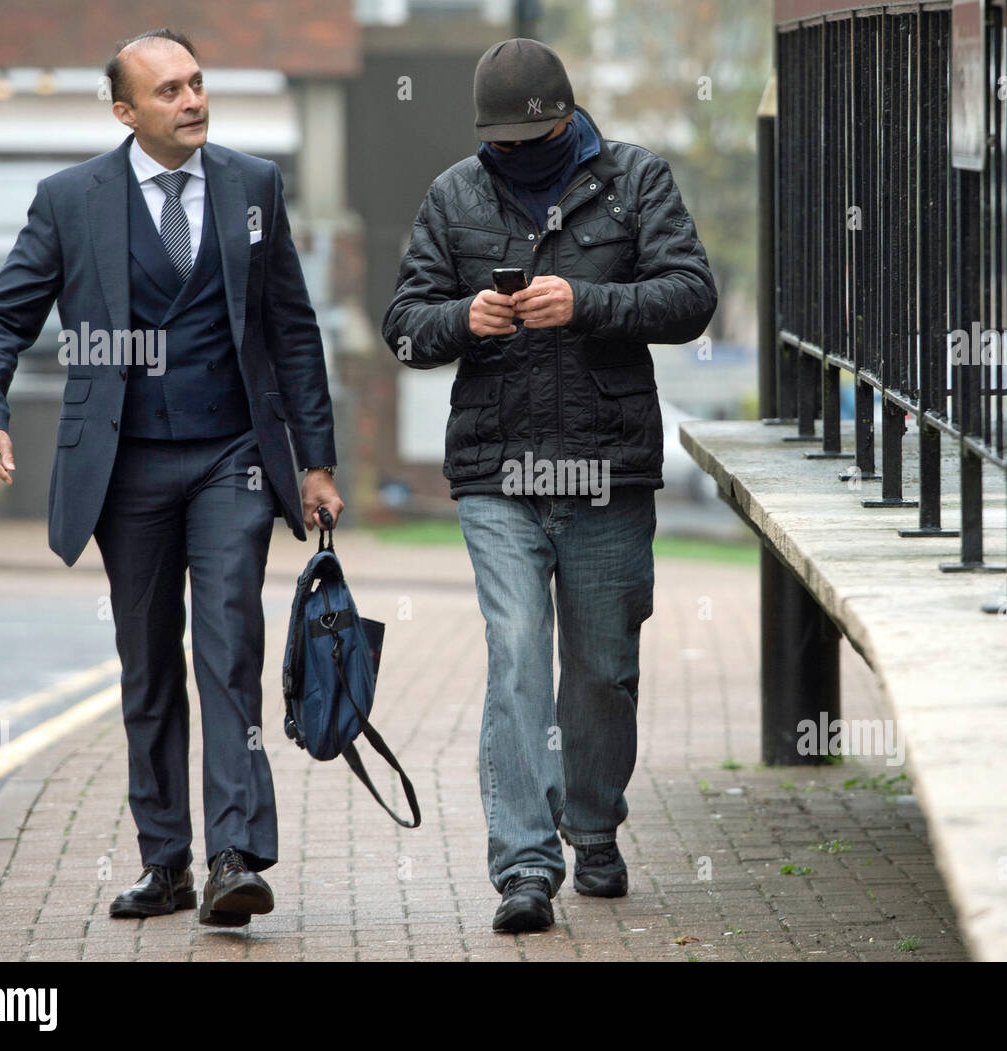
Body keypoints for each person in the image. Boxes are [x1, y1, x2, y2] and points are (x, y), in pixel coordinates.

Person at [0, 28, 343, 928]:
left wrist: (314, 460)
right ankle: (164, 860)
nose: (192, 100)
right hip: (124, 467)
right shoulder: (70, 201)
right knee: (147, 668)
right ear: (126, 111)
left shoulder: (254, 185)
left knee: (228, 646)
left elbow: (293, 329)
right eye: (168, 90)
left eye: (197, 83)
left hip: (231, 459)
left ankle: (234, 855)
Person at [382, 38, 717, 933]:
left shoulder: (635, 180)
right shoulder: (454, 193)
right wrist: (465, 318)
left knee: (604, 668)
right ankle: (524, 866)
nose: (515, 156)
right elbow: (404, 326)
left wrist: (588, 302)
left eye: (530, 140)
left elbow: (691, 297)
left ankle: (594, 824)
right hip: (498, 468)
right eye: (499, 142)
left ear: (568, 118)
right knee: (519, 653)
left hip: (608, 466)